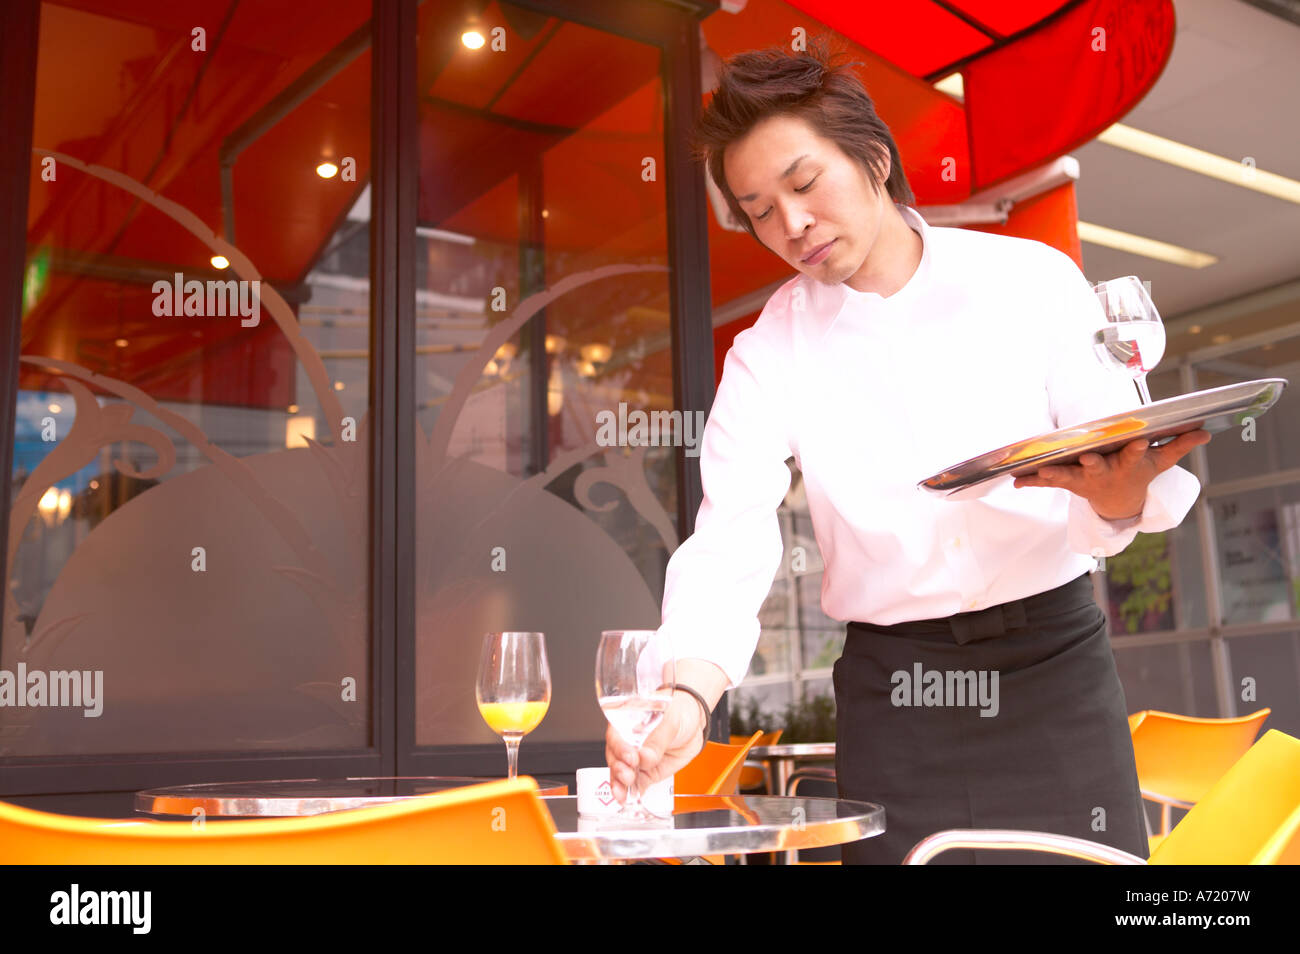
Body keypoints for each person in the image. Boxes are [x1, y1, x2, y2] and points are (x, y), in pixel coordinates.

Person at [604, 37, 1212, 864]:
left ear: (876, 161)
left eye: (804, 183)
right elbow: (731, 537)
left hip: (1054, 669)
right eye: (758, 210)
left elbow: (1110, 453)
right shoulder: (766, 350)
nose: (791, 225)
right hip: (897, 693)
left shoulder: (1029, 280)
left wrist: (1116, 499)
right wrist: (687, 692)